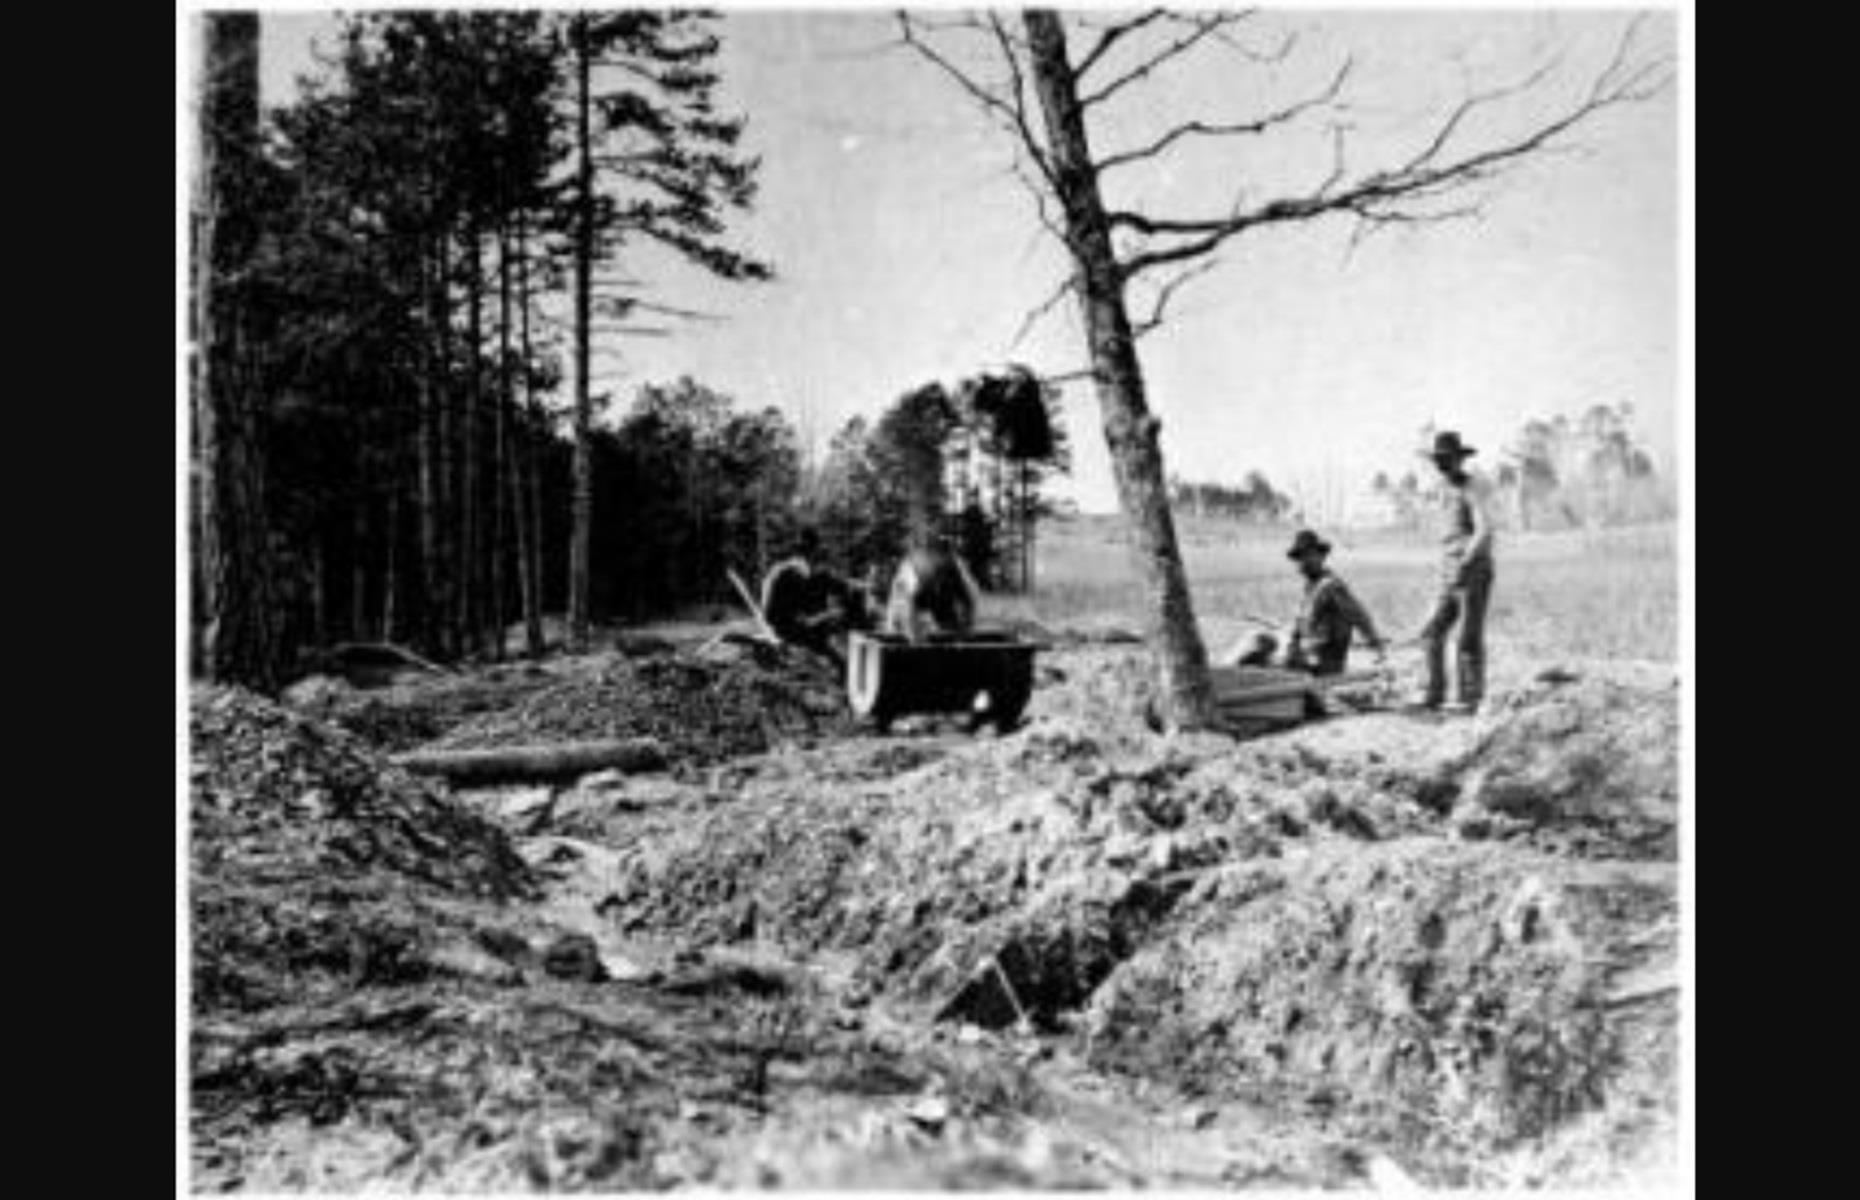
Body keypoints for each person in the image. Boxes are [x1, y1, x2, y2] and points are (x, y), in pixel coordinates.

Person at [1231, 528, 1388, 676]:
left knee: (1256, 645)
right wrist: (1292, 641)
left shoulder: (1331, 586)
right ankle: (1227, 675)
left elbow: (1359, 616)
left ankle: (1227, 679)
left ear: (1321, 557)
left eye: (1308, 555)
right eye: (1300, 558)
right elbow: (1299, 628)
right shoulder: (1310, 588)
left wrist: (1377, 647)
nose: (1303, 562)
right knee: (1259, 641)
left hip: (1321, 666)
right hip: (1304, 660)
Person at [1414, 430, 1495, 712]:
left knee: (1467, 637)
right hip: (1448, 570)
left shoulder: (1472, 488)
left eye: (1447, 459)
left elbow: (1484, 530)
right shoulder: (1440, 490)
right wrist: (1449, 567)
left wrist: (1467, 561)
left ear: (1460, 459)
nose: (1442, 464)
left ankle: (1470, 698)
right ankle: (1434, 693)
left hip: (1473, 568)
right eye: (1438, 459)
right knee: (1430, 632)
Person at [759, 531, 868, 667]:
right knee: (827, 585)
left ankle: (850, 649)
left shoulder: (786, 568)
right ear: (811, 552)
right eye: (815, 553)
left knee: (835, 588)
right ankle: (853, 648)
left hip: (785, 626)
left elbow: (841, 586)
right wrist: (827, 615)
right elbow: (798, 617)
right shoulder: (791, 574)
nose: (817, 560)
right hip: (789, 631)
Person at [883, 537, 980, 643]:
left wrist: (966, 631)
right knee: (900, 633)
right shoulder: (912, 574)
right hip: (912, 590)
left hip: (939, 592)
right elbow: (906, 607)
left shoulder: (956, 570)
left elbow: (970, 602)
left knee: (952, 631)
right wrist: (914, 637)